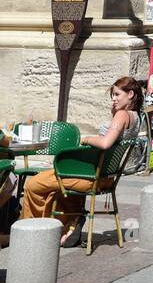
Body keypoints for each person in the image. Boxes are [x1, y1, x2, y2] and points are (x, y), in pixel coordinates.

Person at [21, 77, 142, 246]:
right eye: (112, 95)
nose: (113, 99)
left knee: (33, 185)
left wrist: (86, 139)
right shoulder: (136, 118)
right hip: (105, 176)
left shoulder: (122, 115)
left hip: (90, 177)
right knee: (60, 187)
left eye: (117, 94)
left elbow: (105, 143)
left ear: (130, 94)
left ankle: (33, 230)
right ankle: (69, 225)